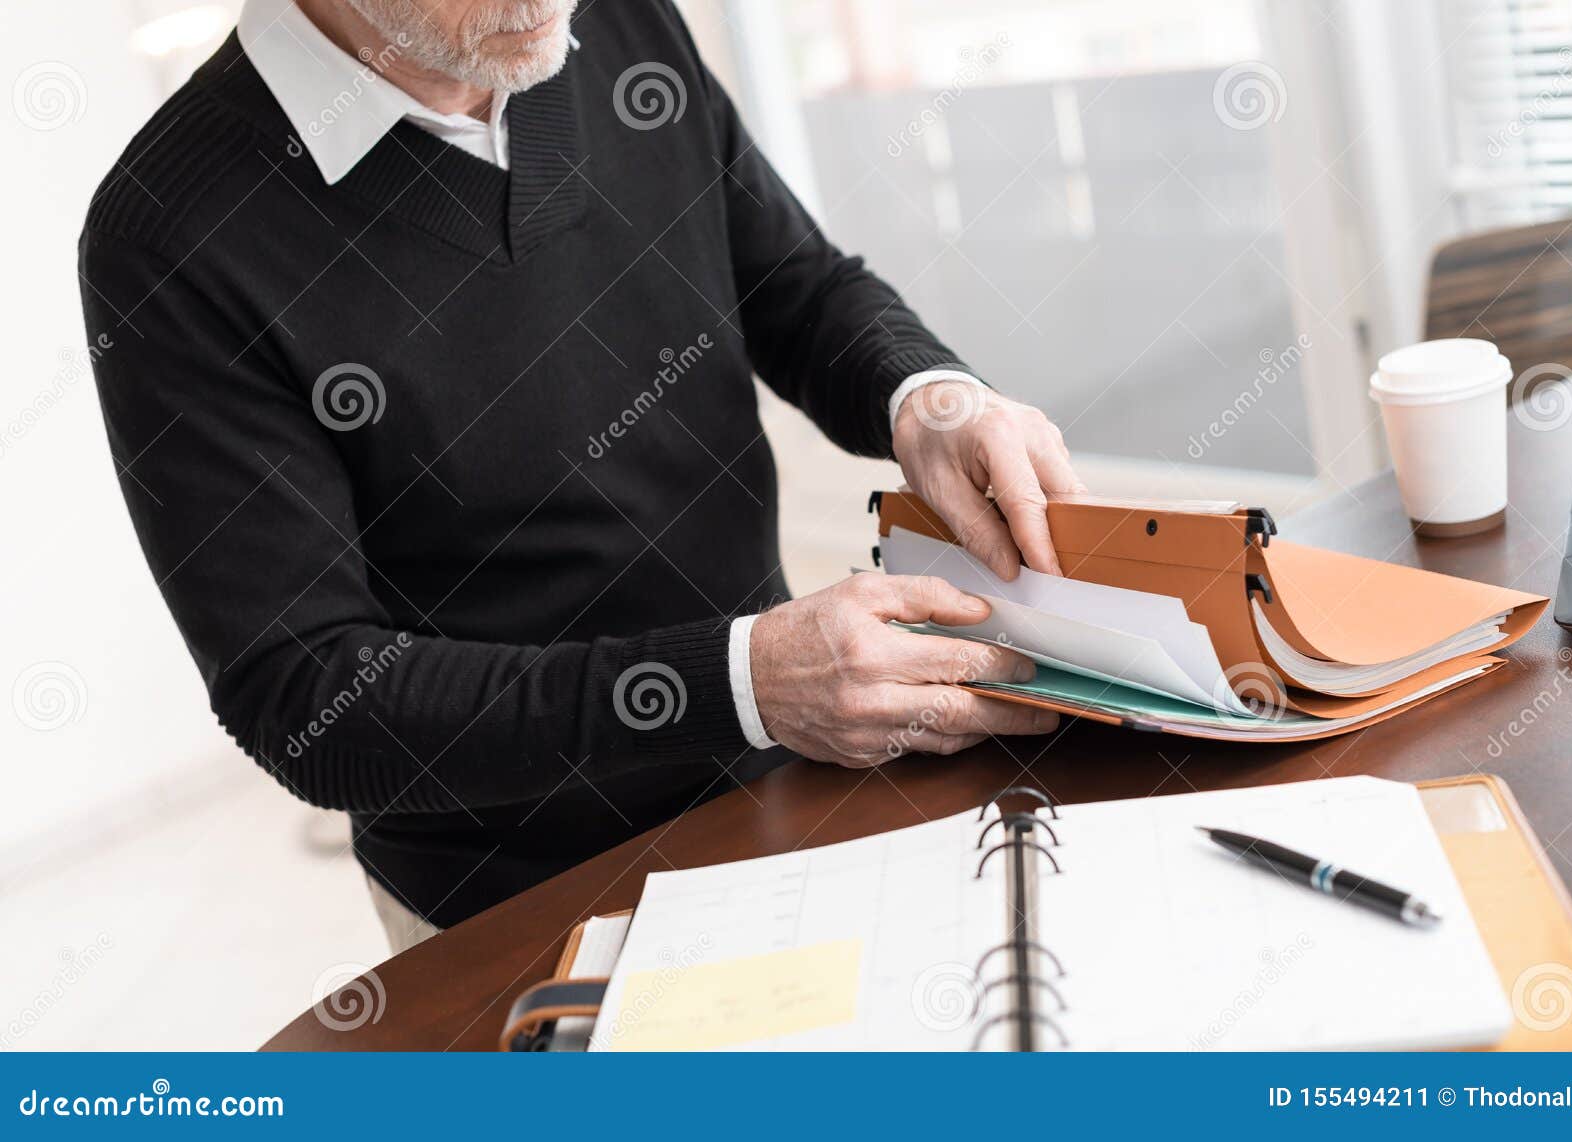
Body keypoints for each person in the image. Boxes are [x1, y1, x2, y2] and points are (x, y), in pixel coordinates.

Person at [79, 0, 1083, 950]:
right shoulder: (170, 230)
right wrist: (739, 681)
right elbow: (304, 695)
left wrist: (927, 392)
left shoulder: (616, 24)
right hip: (515, 902)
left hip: (791, 789)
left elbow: (794, 284)